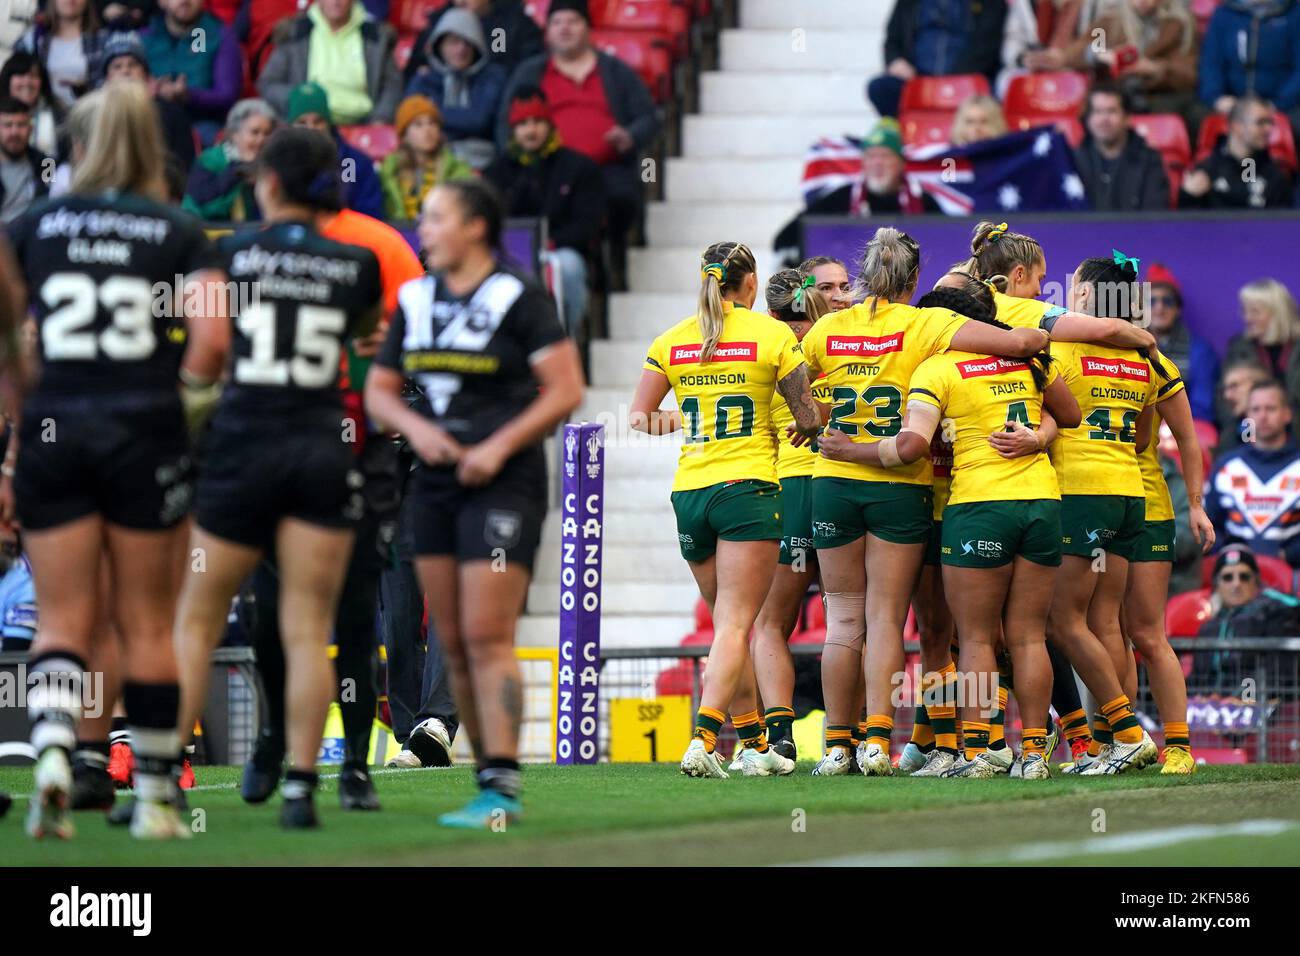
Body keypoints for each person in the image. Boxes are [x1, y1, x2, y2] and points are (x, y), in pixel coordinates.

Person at [9, 79, 227, 840]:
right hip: (144, 432)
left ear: (75, 147)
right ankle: (159, 799)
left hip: (53, 430)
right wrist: (182, 404)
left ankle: (53, 755)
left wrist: (26, 403)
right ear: (149, 147)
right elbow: (212, 344)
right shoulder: (177, 231)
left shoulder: (30, 224)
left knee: (62, 619)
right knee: (145, 623)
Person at [175, 126, 383, 830]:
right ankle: (301, 787)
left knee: (198, 618)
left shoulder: (227, 254)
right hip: (323, 446)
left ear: (266, 183)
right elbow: (361, 335)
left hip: (242, 443)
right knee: (305, 627)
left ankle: (159, 779)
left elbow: (206, 347)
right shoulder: (357, 262)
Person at [365, 179, 584, 825]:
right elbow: (379, 391)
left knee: (481, 633)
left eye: (436, 219)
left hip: (503, 481)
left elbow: (565, 387)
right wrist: (422, 432)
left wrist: (497, 444)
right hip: (425, 480)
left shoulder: (519, 297)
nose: (423, 230)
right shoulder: (414, 299)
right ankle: (426, 739)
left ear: (477, 228)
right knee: (430, 630)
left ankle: (499, 782)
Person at [798, 227, 1048, 776]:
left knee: (843, 621)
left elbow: (790, 379)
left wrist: (809, 422)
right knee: (890, 620)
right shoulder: (928, 323)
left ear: (863, 276)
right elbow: (1025, 344)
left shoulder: (827, 328)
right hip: (902, 483)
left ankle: (839, 745)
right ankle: (879, 743)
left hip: (834, 477)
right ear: (914, 279)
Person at [242, 166, 430, 810]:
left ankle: (290, 747)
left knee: (297, 611)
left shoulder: (249, 253)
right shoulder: (374, 250)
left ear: (274, 187)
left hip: (310, 451)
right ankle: (343, 765)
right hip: (343, 450)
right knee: (344, 617)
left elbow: (406, 347)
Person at [628, 242, 819, 779]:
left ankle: (756, 743)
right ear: (752, 283)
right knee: (739, 624)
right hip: (748, 489)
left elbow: (640, 418)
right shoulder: (772, 334)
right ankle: (705, 740)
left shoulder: (672, 339)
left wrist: (692, 425)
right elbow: (805, 417)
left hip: (690, 492)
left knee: (726, 626)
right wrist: (819, 415)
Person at [1047, 253, 1186, 776]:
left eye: (1074, 284)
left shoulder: (1055, 343)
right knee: (1110, 624)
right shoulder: (1144, 357)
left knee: (1063, 620)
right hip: (1133, 493)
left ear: (1084, 294)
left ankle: (1119, 736)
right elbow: (1151, 436)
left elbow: (1054, 416)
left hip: (1080, 492)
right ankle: (1118, 745)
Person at [497, 0, 661, 275]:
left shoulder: (615, 71)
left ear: (588, 28)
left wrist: (629, 136)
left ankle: (610, 262)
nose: (565, 29)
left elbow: (648, 118)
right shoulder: (530, 72)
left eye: (573, 21)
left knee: (622, 195)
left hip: (605, 168)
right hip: (546, 168)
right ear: (547, 30)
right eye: (557, 23)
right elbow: (505, 121)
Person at [742, 268, 832, 765]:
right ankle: (855, 740)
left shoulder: (768, 346)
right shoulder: (836, 343)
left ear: (772, 313)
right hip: (845, 487)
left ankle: (778, 739)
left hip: (790, 491)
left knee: (772, 623)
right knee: (852, 620)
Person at [1122, 344, 1215, 776]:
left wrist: (1195, 505)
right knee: (1113, 631)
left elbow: (1181, 437)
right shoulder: (1066, 349)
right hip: (1104, 505)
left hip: (1140, 506)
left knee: (1139, 632)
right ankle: (1125, 741)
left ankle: (1172, 745)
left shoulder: (1152, 361)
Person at [484, 86, 604, 338]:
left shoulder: (578, 167)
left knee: (568, 266)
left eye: (538, 121)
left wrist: (550, 242)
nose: (531, 129)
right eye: (523, 123)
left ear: (549, 125)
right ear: (512, 130)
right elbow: (490, 218)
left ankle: (565, 339)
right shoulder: (496, 172)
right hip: (508, 252)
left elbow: (588, 223)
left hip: (558, 250)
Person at [773, 119, 941, 254]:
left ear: (901, 163)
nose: (877, 163)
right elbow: (783, 240)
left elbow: (945, 243)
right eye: (871, 157)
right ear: (863, 163)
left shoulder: (922, 202)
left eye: (885, 156)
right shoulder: (841, 199)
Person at [258, 0, 402, 125]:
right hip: (307, 124)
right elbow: (269, 83)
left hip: (364, 122)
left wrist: (381, 118)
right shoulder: (296, 32)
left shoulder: (375, 36)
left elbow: (392, 85)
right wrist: (299, 100)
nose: (335, 1)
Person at [1207, 379, 1300, 565]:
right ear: (1246, 416)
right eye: (1256, 410)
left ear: (1287, 414)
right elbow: (1209, 524)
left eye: (1271, 408)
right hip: (1235, 572)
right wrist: (1233, 553)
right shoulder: (1227, 466)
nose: (1263, 416)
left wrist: (1289, 556)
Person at [403, 3, 506, 170]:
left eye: (467, 43)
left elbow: (478, 121)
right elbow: (409, 120)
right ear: (440, 45)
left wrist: (433, 110)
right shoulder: (424, 79)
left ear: (477, 46)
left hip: (482, 160)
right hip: (430, 159)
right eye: (453, 42)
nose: (460, 49)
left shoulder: (492, 77)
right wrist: (461, 117)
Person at [866, 0, 1008, 118]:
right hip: (917, 79)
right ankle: (906, 136)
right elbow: (892, 40)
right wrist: (895, 61)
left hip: (969, 81)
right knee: (880, 88)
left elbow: (989, 46)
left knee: (1000, 94)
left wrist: (949, 82)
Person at [1060, 0, 1198, 115]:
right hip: (1115, 95)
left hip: (1161, 97)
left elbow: (1189, 72)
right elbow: (1076, 52)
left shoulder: (1180, 24)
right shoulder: (1110, 21)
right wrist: (1101, 54)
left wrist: (1155, 69)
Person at [1198, 544, 1300, 694]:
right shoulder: (1208, 628)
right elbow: (1198, 680)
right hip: (1209, 711)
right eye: (1228, 577)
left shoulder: (1275, 616)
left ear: (1256, 582)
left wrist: (1242, 699)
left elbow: (1277, 677)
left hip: (1256, 706)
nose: (1236, 584)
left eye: (1244, 577)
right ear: (1217, 585)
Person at [140, 0, 243, 146]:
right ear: (162, 2)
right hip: (150, 119)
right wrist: (153, 90)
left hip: (201, 123)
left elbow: (227, 94)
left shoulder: (217, 34)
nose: (184, 1)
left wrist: (188, 95)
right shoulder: (145, 37)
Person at [97, 31, 195, 174]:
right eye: (117, 66)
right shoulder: (94, 114)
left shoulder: (171, 113)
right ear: (107, 77)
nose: (125, 71)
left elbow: (183, 166)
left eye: (133, 64)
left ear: (146, 73)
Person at [1199, 0, 1300, 137]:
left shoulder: (1294, 12)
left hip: (1284, 103)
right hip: (1232, 101)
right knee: (1199, 123)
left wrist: (1277, 103)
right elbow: (1211, 63)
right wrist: (1217, 98)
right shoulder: (1224, 13)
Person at [286, 81, 385, 220]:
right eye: (302, 123)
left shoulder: (350, 161)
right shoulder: (281, 163)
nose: (311, 128)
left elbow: (366, 212)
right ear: (291, 126)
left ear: (328, 123)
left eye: (318, 121)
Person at [1180, 95, 1294, 210]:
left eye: (1270, 123)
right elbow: (1190, 223)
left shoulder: (1275, 176)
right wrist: (1189, 196)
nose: (1268, 129)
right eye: (1260, 122)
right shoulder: (1206, 172)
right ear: (1236, 126)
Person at [1073, 84, 1171, 211]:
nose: (1104, 119)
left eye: (1111, 111)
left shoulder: (1149, 160)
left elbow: (1155, 215)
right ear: (1088, 119)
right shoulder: (1074, 160)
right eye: (1097, 112)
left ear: (1127, 118)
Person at [378, 93, 474, 221]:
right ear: (404, 135)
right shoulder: (388, 172)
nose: (427, 130)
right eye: (418, 125)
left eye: (432, 123)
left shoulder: (457, 170)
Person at [405, 0, 543, 86]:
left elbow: (506, 61)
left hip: (496, 102)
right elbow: (416, 67)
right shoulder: (440, 21)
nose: (460, 1)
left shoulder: (504, 24)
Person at [1145, 262, 1219, 422]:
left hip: (1182, 430)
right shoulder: (1130, 346)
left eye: (1167, 301)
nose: (1159, 308)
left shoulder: (1199, 351)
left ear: (1178, 308)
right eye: (1151, 301)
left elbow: (1202, 408)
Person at [183, 96, 276, 222]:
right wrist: (238, 170)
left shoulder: (273, 164)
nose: (261, 140)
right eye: (255, 132)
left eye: (267, 133)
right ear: (235, 134)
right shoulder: (210, 161)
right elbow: (202, 206)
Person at [1222, 277, 1300, 415]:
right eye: (1245, 311)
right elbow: (1223, 401)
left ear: (1278, 314)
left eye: (1255, 312)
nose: (1247, 318)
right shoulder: (1239, 348)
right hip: (1250, 427)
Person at [17, 0, 106, 108]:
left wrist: (85, 89)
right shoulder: (35, 40)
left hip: (89, 114)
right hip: (45, 116)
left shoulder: (102, 39)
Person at [0, 51, 60, 158]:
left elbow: (55, 159)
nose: (27, 81)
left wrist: (48, 174)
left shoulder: (57, 115)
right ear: (8, 79)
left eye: (34, 76)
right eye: (21, 75)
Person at [0, 96, 48, 223]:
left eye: (21, 125)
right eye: (7, 125)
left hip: (32, 234)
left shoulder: (47, 163)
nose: (14, 132)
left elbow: (52, 198)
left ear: (30, 129)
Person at [1216, 357, 1271, 449]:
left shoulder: (1290, 429)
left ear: (1257, 385)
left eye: (1234, 386)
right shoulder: (1231, 435)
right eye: (1226, 389)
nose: (1227, 396)